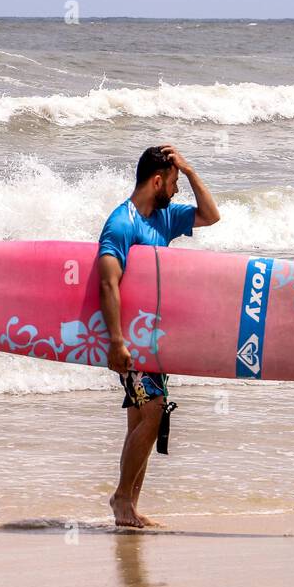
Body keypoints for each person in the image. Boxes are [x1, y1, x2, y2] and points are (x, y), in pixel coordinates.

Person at [97, 145, 220, 527]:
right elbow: (107, 281)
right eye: (173, 182)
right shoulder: (123, 223)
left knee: (143, 420)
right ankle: (121, 499)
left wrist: (187, 168)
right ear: (156, 181)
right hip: (131, 341)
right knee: (152, 411)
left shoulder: (163, 218)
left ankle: (128, 507)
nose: (177, 190)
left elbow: (210, 216)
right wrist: (116, 341)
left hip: (153, 340)